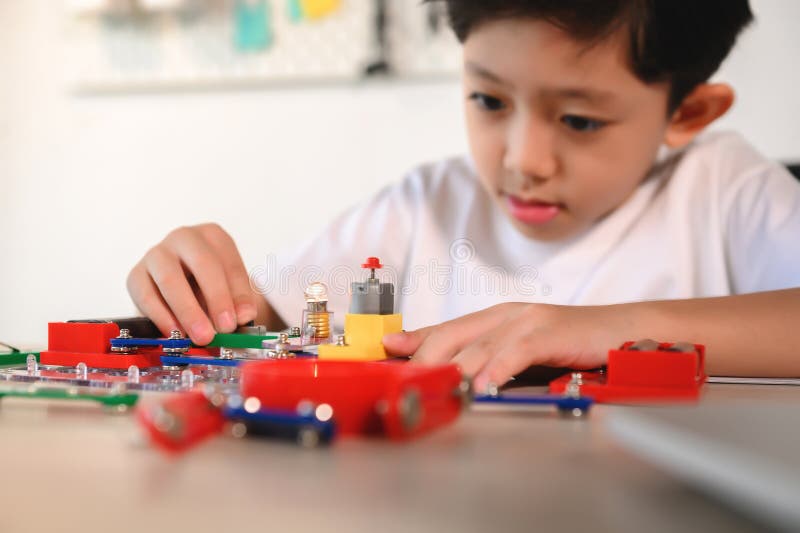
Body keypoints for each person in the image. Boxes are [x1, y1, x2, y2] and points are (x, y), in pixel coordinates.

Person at [126, 0, 800, 391]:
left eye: (579, 120)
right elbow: (270, 324)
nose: (521, 160)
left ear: (688, 113)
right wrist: (202, 283)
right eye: (488, 99)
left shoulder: (724, 190)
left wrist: (615, 329)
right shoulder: (423, 205)